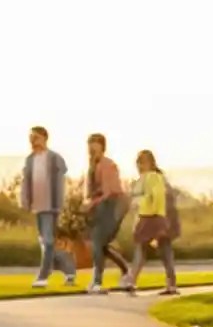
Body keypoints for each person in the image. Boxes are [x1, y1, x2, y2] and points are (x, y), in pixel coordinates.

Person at [20, 126, 75, 288]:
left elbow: (61, 175)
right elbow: (26, 181)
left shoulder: (54, 157)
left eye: (36, 138)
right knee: (46, 242)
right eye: (31, 138)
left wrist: (60, 202)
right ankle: (69, 270)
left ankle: (43, 275)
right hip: (37, 205)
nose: (33, 141)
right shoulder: (30, 159)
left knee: (48, 241)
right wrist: (25, 200)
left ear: (44, 138)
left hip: (51, 205)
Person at [121, 150, 179, 295]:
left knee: (145, 248)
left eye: (142, 162)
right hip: (156, 218)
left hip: (153, 218)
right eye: (138, 163)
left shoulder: (153, 177)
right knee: (161, 251)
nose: (140, 166)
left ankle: (132, 279)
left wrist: (151, 213)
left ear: (150, 163)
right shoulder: (149, 178)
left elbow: (156, 197)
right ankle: (170, 284)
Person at [84, 133, 131, 295]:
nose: (92, 153)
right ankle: (126, 271)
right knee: (100, 245)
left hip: (114, 205)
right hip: (101, 206)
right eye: (90, 149)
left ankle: (97, 281)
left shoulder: (108, 165)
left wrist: (91, 204)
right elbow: (90, 192)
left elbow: (108, 191)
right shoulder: (92, 166)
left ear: (102, 148)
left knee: (98, 241)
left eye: (95, 149)